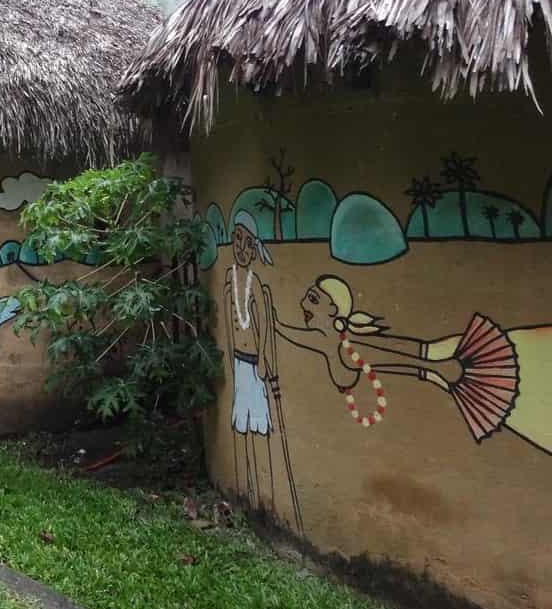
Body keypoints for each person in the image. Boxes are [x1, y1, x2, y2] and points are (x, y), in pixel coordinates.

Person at [274, 274, 549, 455]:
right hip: (440, 362)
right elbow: (404, 361)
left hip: (445, 361)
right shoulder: (333, 341)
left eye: (313, 299)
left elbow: (405, 357)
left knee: (437, 355)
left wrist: (436, 371)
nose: (302, 303)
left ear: (333, 309)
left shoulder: (341, 344)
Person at [223, 210, 277, 511]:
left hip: (254, 362)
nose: (240, 248)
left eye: (246, 242)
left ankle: (264, 488)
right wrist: (233, 364)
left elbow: (265, 324)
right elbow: (231, 331)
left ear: (254, 247)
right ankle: (247, 486)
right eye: (236, 239)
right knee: (241, 425)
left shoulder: (255, 284)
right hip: (239, 362)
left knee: (259, 425)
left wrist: (264, 359)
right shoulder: (230, 281)